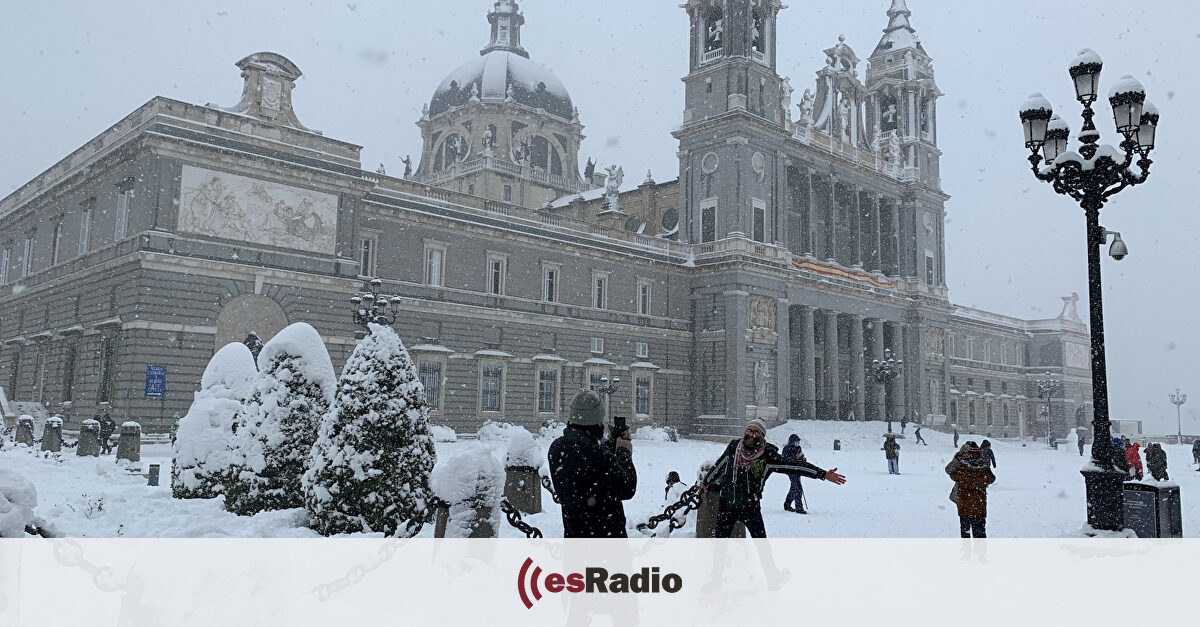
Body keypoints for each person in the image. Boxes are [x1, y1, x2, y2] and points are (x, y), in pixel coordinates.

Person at [700, 419, 846, 538]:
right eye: (749, 430)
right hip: (727, 504)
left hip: (750, 506)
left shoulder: (767, 455)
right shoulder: (734, 447)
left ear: (762, 435)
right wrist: (706, 482)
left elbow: (794, 465)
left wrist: (822, 474)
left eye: (756, 431)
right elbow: (720, 465)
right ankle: (717, 572)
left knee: (761, 545)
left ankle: (769, 572)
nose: (751, 434)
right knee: (719, 544)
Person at [547, 390, 637, 538]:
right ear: (596, 422)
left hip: (575, 537)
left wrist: (609, 444)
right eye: (601, 420)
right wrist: (623, 451)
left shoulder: (557, 448)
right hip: (608, 541)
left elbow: (588, 468)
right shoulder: (599, 456)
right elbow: (627, 487)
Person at [949, 442, 995, 538]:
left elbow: (952, 475)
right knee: (980, 531)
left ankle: (966, 551)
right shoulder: (984, 469)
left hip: (964, 506)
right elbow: (991, 479)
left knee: (965, 531)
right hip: (979, 506)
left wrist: (958, 459)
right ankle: (980, 551)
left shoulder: (962, 468)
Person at [780, 434, 806, 514]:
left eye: (798, 441)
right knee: (798, 488)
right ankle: (799, 508)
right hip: (790, 470)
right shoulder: (786, 448)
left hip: (798, 469)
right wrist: (795, 458)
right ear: (792, 441)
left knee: (794, 488)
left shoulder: (798, 448)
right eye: (796, 441)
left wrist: (803, 459)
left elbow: (800, 457)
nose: (798, 443)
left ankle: (787, 504)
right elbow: (784, 459)